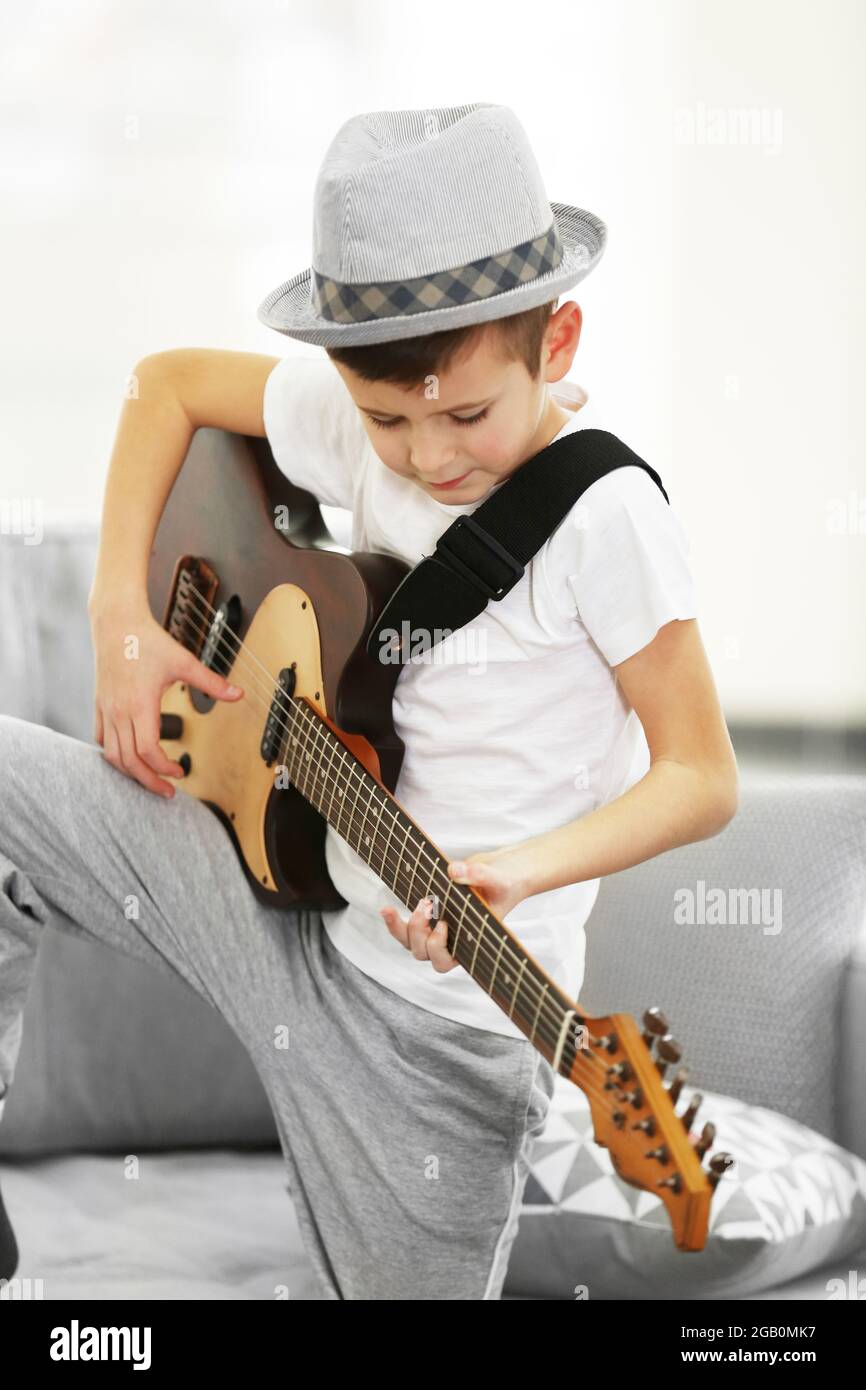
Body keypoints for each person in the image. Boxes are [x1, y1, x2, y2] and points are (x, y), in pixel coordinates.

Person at [0, 103, 738, 1299]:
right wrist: (119, 626)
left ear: (556, 340)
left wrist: (521, 868)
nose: (427, 455)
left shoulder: (609, 523)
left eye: (463, 415)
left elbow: (701, 778)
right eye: (388, 418)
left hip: (443, 1052)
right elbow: (164, 386)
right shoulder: (358, 433)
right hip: (284, 926)